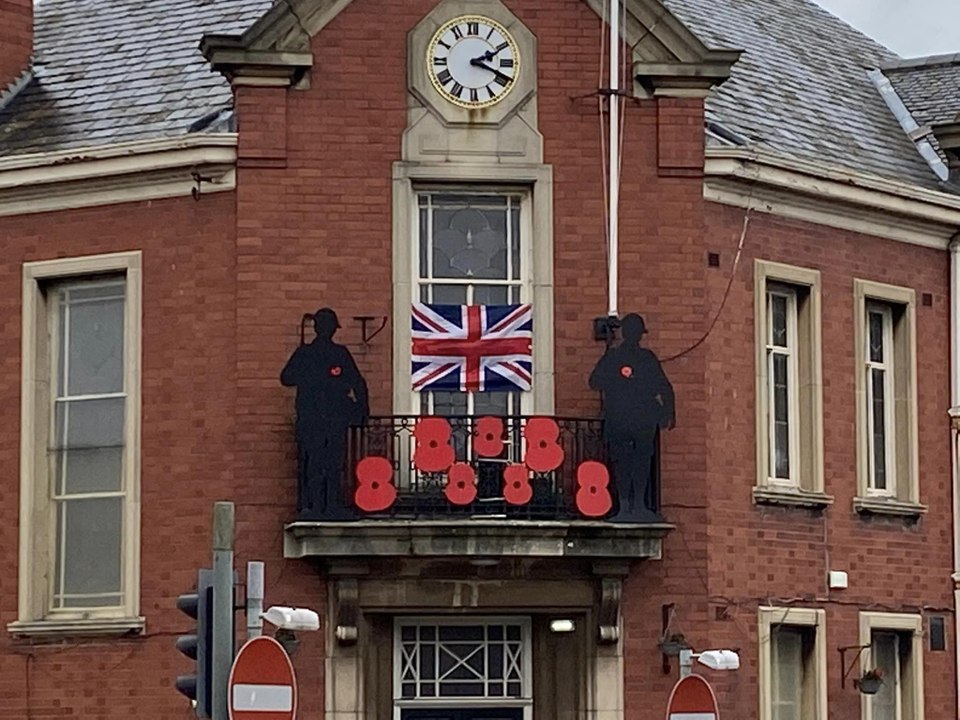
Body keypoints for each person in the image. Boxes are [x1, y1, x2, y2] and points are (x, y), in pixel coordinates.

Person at [281, 308, 369, 520]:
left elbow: (357, 383)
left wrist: (362, 409)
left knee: (329, 462)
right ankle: (314, 507)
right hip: (313, 418)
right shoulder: (305, 354)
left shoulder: (338, 354)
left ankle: (329, 506)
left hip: (332, 418)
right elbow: (286, 378)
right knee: (317, 462)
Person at [589, 313, 675, 522]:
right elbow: (595, 381)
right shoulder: (619, 357)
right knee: (628, 462)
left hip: (638, 419)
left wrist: (669, 411)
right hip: (626, 418)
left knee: (635, 462)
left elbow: (663, 386)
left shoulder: (643, 358)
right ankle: (627, 505)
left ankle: (635, 505)